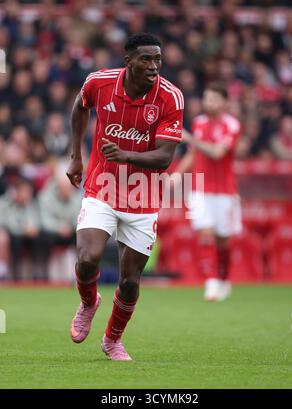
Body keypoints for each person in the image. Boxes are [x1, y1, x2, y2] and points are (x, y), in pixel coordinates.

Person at [66, 33, 184, 361]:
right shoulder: (99, 83)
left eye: (158, 60)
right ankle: (89, 303)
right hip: (101, 186)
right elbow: (80, 106)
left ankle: (112, 340)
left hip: (143, 197)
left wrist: (125, 154)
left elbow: (164, 158)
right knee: (87, 259)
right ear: (128, 60)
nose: (154, 66)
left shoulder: (171, 97)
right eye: (146, 59)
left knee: (130, 281)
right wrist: (75, 155)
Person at [175, 83, 242, 301]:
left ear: (224, 102)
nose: (209, 103)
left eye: (213, 99)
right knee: (205, 233)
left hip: (225, 192)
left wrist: (191, 139)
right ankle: (211, 283)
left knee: (223, 241)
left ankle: (223, 279)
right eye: (206, 98)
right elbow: (195, 154)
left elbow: (216, 153)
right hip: (200, 188)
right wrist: (177, 173)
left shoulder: (231, 125)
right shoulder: (199, 123)